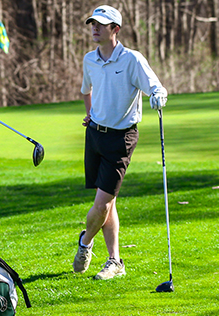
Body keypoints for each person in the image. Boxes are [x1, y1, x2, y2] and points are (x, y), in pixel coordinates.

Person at [74, 5, 167, 280]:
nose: (94, 28)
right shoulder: (89, 59)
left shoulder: (132, 60)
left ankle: (84, 241)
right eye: (92, 23)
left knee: (102, 203)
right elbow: (86, 91)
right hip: (95, 135)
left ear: (115, 29)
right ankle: (115, 261)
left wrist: (159, 95)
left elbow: (155, 86)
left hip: (121, 138)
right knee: (109, 202)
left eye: (101, 24)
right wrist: (90, 115)